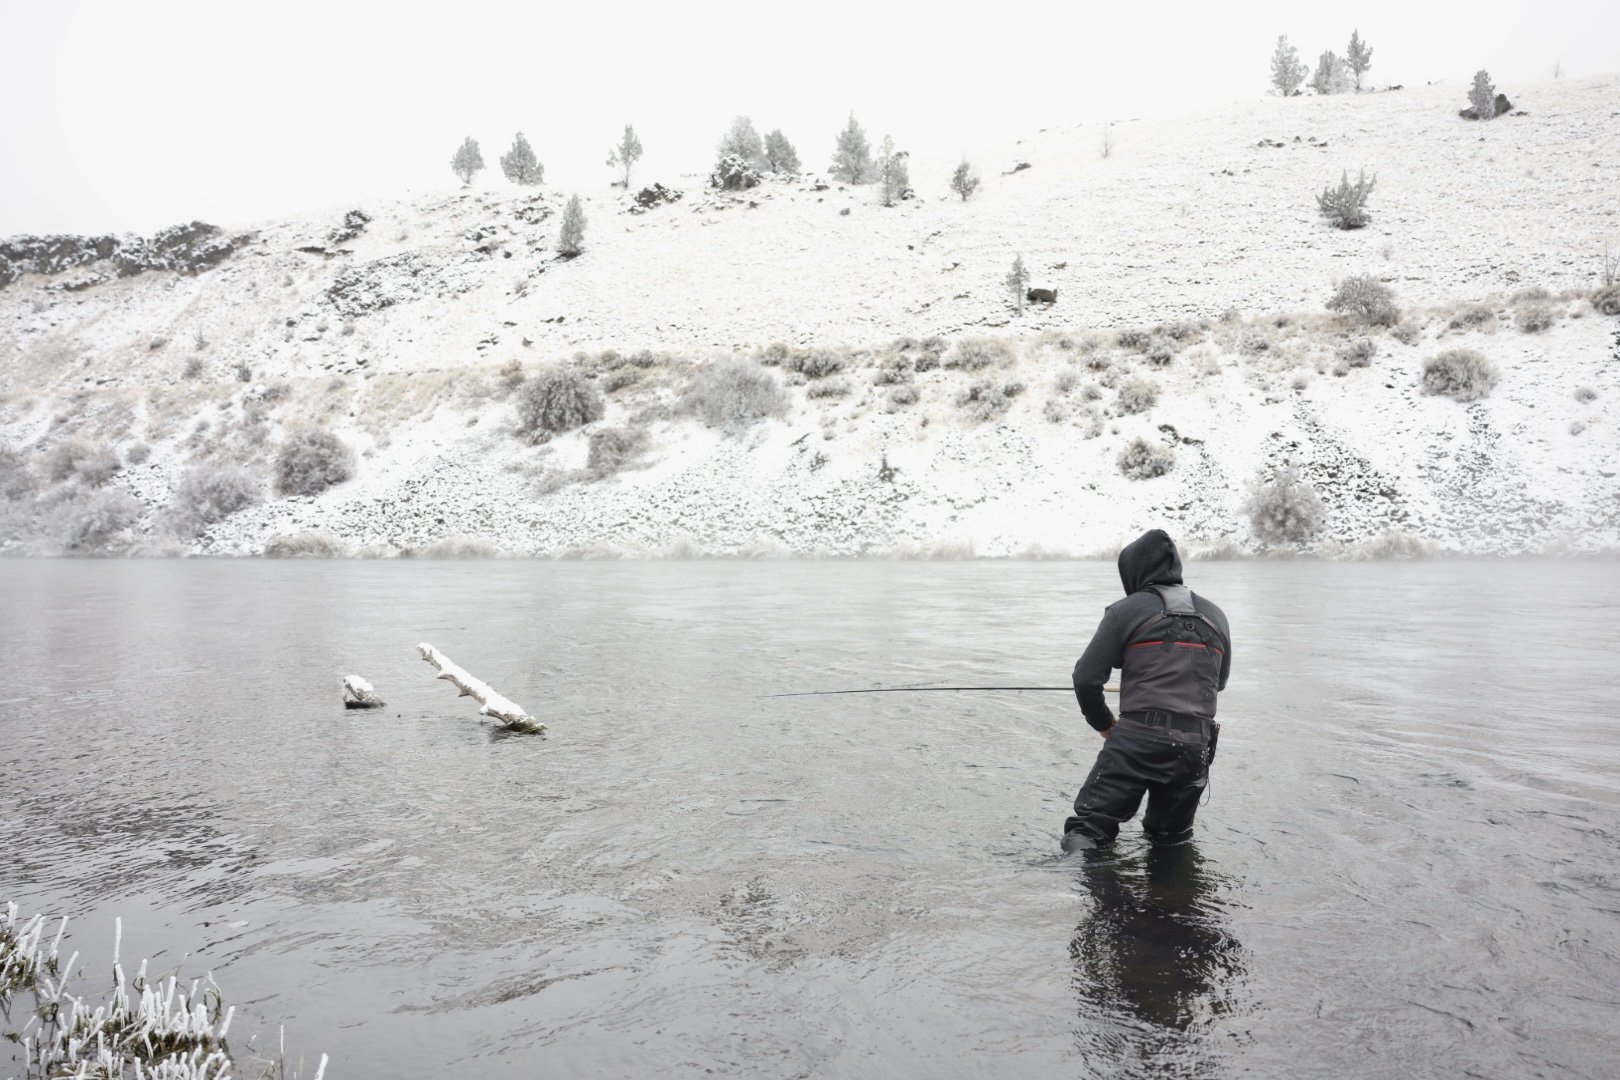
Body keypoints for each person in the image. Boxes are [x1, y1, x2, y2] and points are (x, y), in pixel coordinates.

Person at [1062, 529, 1231, 852]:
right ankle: (1174, 899)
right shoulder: (1216, 615)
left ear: (1134, 571)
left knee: (1089, 829)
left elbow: (1085, 678)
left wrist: (1104, 724)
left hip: (1137, 741)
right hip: (1194, 748)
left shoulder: (1126, 610)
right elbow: (1218, 682)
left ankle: (1082, 897)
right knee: (1170, 840)